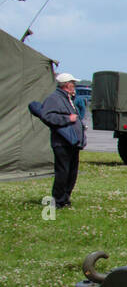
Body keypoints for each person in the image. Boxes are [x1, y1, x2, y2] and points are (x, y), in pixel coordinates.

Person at [37, 71, 86, 209]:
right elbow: (47, 117)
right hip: (62, 142)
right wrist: (67, 119)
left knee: (72, 172)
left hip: (72, 143)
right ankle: (58, 200)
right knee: (63, 172)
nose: (74, 86)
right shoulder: (54, 98)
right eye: (73, 83)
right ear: (66, 85)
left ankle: (65, 198)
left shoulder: (68, 99)